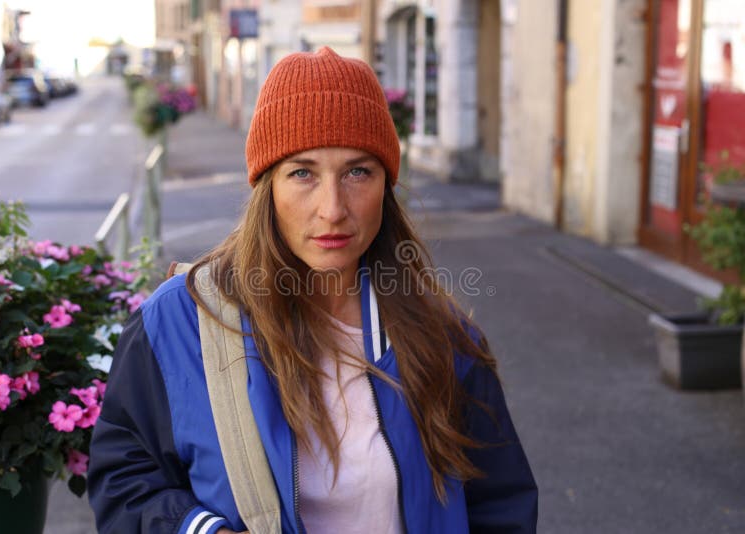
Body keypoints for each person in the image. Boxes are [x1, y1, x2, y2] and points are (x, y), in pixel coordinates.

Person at [87, 46, 537, 534]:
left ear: (386, 185)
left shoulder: (441, 337)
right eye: (303, 173)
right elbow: (125, 478)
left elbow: (500, 507)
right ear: (268, 186)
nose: (333, 209)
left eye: (358, 172)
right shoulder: (179, 322)